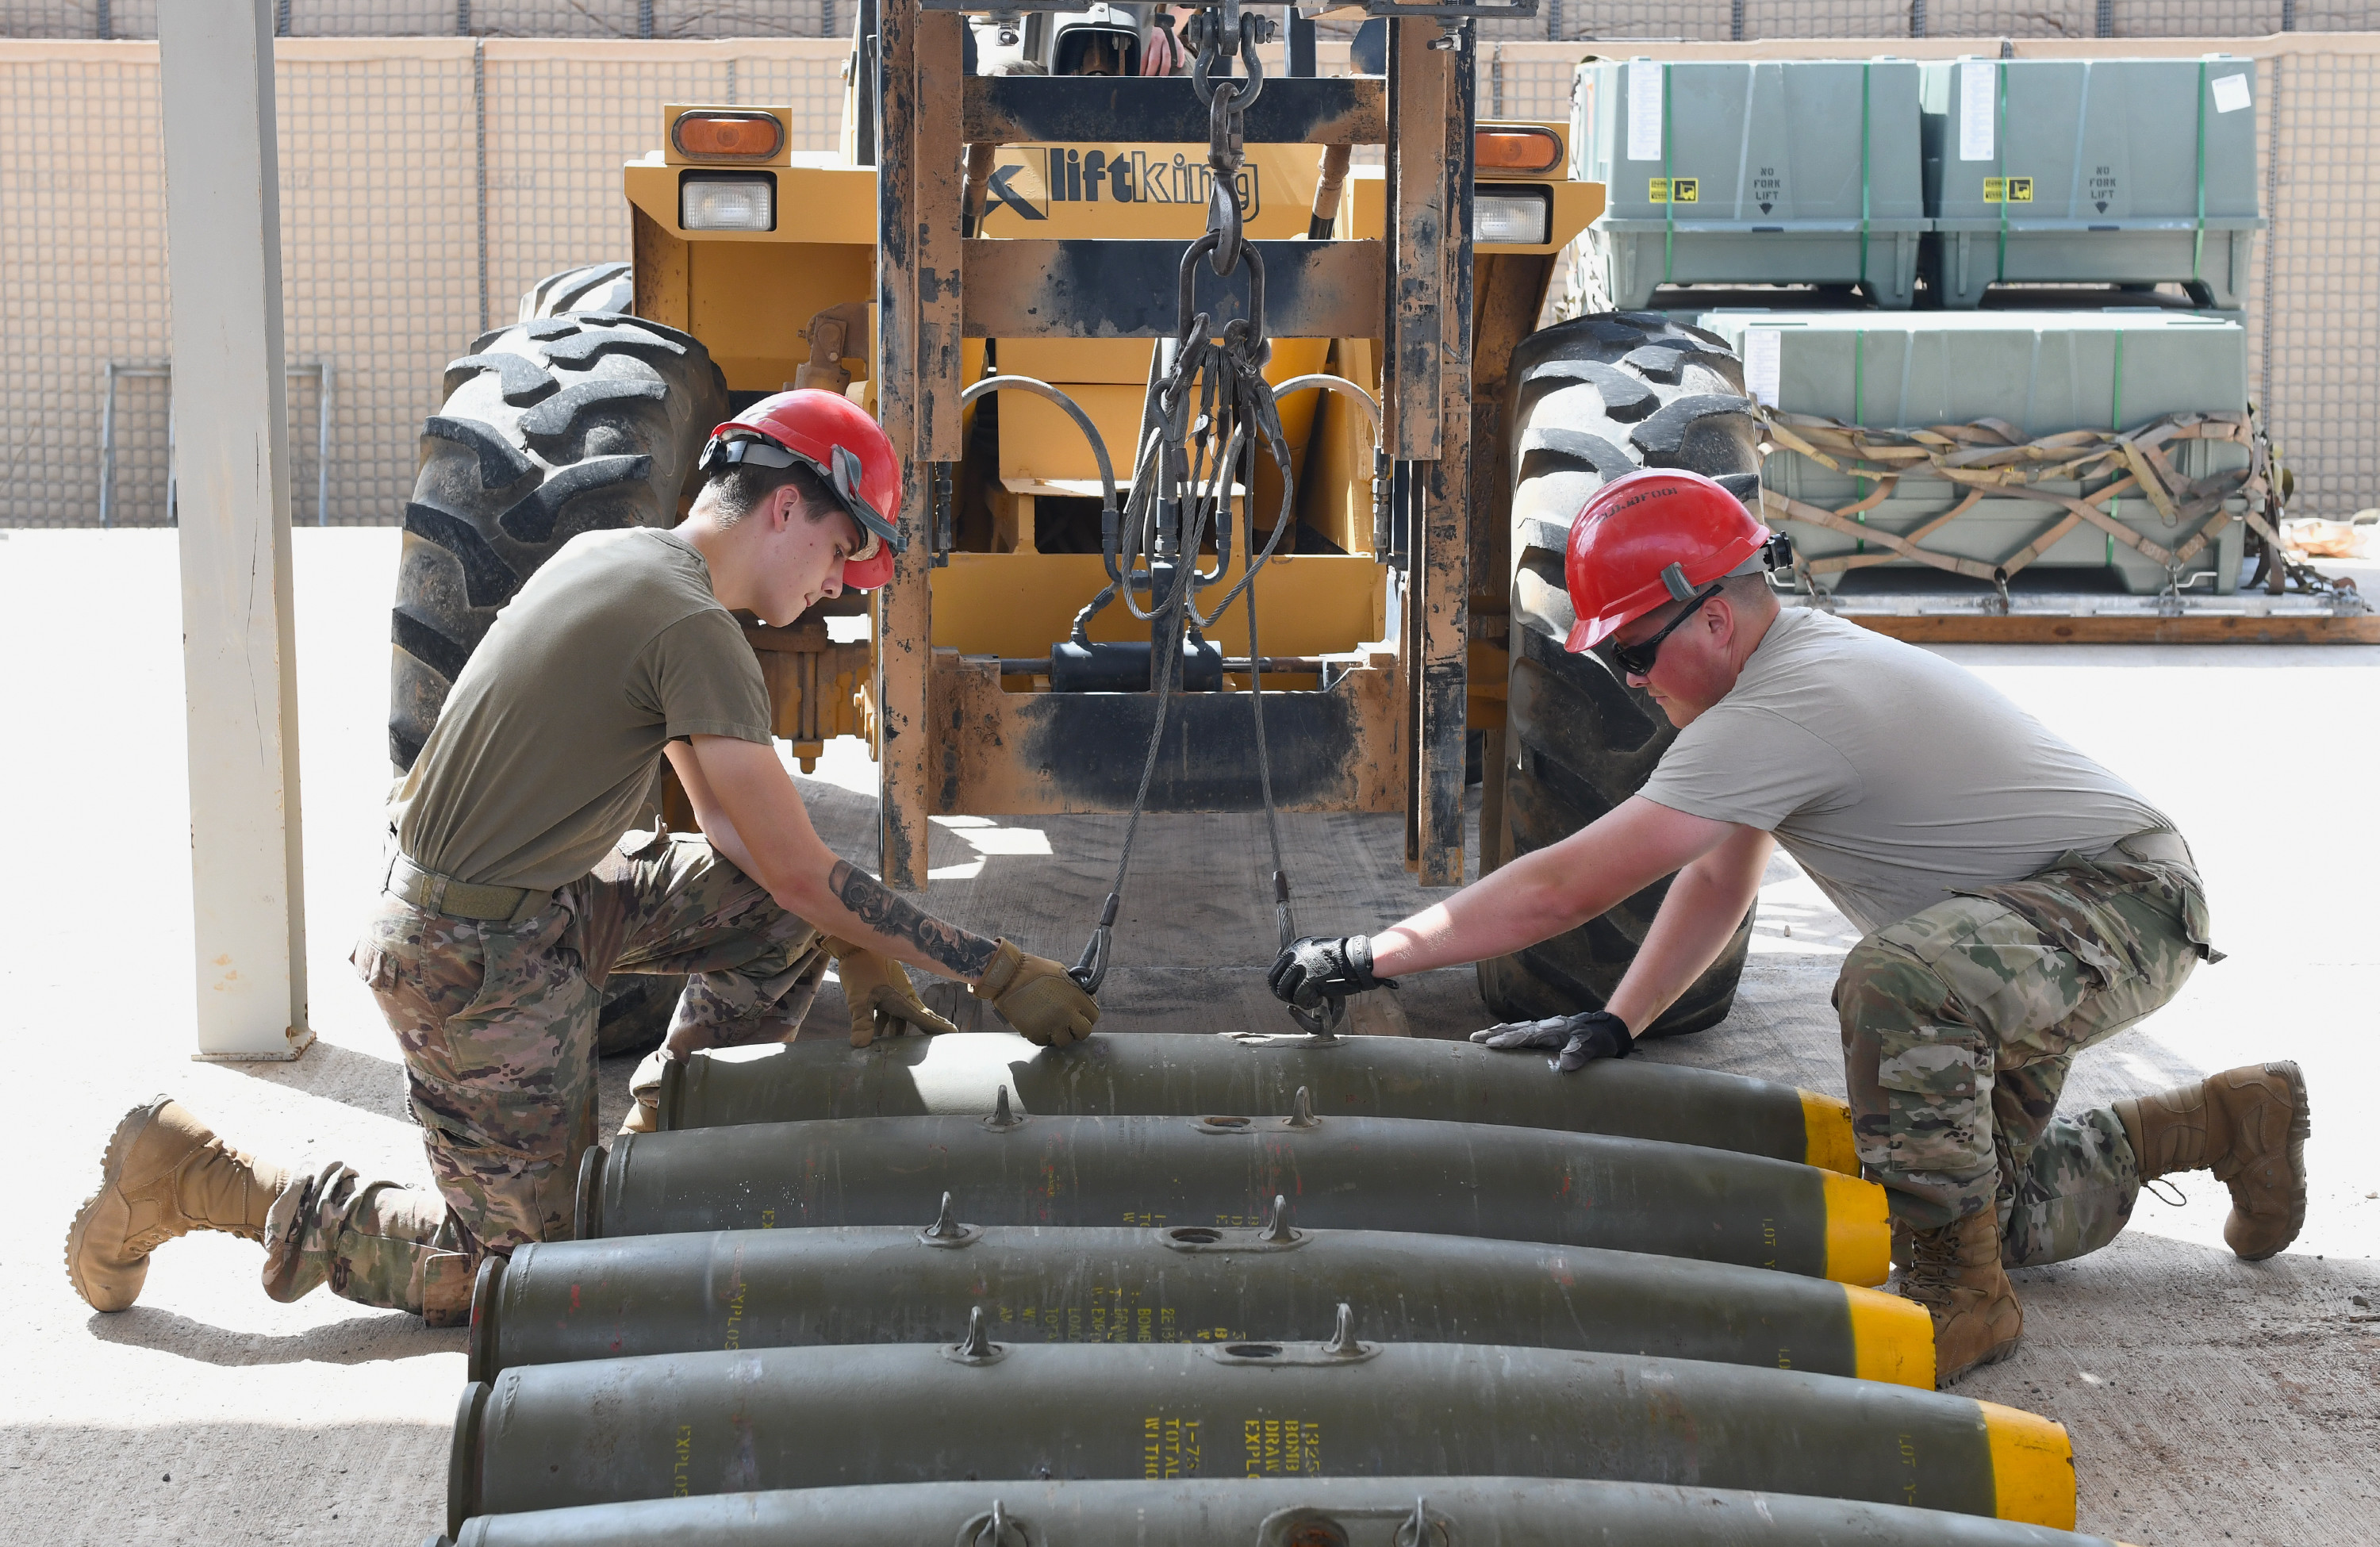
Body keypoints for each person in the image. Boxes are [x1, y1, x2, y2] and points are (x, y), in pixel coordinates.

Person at [68, 390, 1099, 1326]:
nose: (840, 585)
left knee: (780, 906)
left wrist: (855, 943)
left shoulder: (631, 564)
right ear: (784, 507)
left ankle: (653, 1156)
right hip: (467, 952)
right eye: (842, 551)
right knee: (518, 1279)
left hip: (537, 900)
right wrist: (993, 968)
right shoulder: (693, 623)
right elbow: (792, 865)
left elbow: (744, 845)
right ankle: (198, 1177)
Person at [1268, 468, 2311, 1386]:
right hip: (2050, 921)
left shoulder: (1782, 702)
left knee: (1896, 985)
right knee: (1986, 1206)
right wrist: (1621, 1019)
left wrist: (1367, 955)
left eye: (1636, 650)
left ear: (1713, 618)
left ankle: (1963, 1304)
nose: (1631, 680)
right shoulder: (1779, 677)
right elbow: (1720, 882)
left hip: (2124, 900)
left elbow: (1564, 888)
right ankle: (2226, 1123)